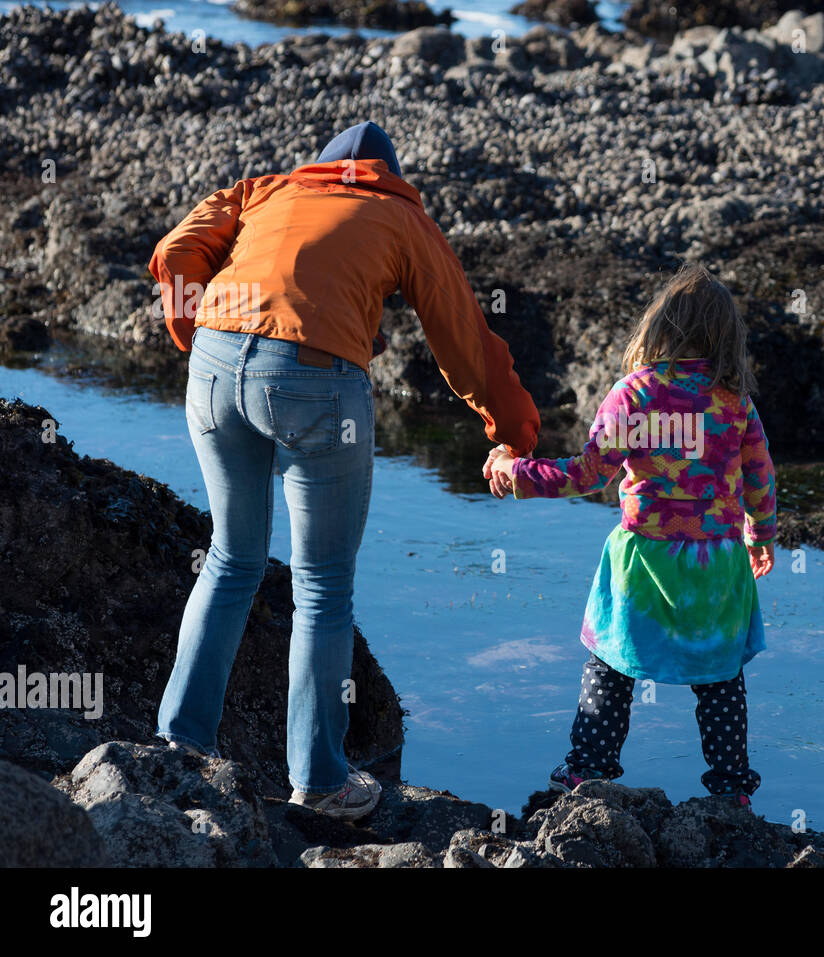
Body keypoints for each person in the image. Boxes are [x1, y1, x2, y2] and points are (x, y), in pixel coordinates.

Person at [150, 121, 539, 820]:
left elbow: (177, 249)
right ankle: (321, 781)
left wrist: (193, 330)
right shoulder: (400, 214)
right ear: (385, 173)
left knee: (231, 559)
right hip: (314, 386)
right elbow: (466, 345)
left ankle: (179, 750)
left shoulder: (265, 191)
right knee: (322, 585)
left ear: (323, 167)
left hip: (212, 366)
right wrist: (512, 434)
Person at [484, 263, 776, 807]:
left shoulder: (635, 394)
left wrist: (515, 471)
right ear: (727, 338)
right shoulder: (735, 403)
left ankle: (588, 770)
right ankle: (732, 787)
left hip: (644, 562)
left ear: (659, 326)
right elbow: (761, 476)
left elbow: (586, 474)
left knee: (612, 667)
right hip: (715, 563)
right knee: (719, 676)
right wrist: (760, 535)